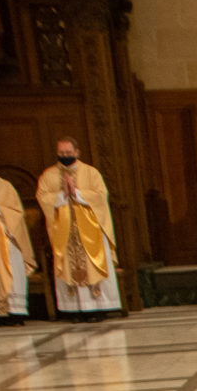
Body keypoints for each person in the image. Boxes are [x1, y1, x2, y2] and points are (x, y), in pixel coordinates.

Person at [35, 136, 122, 320]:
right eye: (61, 153)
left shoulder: (91, 173)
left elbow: (100, 195)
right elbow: (42, 197)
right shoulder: (49, 175)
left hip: (91, 231)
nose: (65, 156)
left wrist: (78, 193)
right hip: (64, 231)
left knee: (93, 265)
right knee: (68, 267)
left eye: (68, 153)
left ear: (77, 152)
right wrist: (62, 195)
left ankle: (99, 307)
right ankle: (74, 309)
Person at [0, 150, 36, 325]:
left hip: (4, 240)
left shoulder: (4, 186)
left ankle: (13, 312)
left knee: (10, 264)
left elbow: (16, 214)